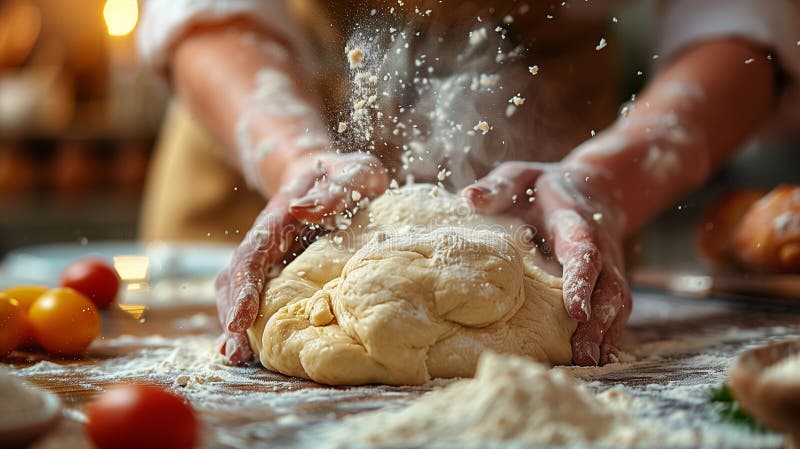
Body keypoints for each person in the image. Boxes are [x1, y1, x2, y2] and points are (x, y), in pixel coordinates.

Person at [137, 0, 800, 366]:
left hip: (564, 169)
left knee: (569, 319)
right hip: (260, 98)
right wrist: (290, 159)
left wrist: (606, 182)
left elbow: (744, 15)